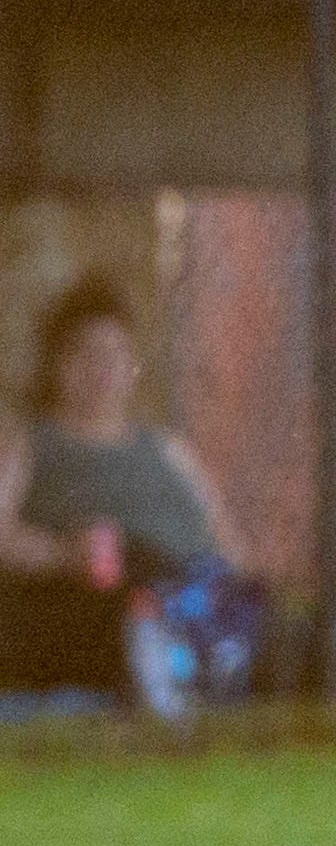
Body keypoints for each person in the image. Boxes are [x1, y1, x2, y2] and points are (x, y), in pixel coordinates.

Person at [0, 275, 251, 715]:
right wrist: (61, 553)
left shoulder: (166, 448)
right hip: (91, 609)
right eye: (85, 354)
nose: (101, 370)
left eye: (115, 356)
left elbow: (225, 538)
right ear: (57, 362)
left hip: (188, 599)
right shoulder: (32, 444)